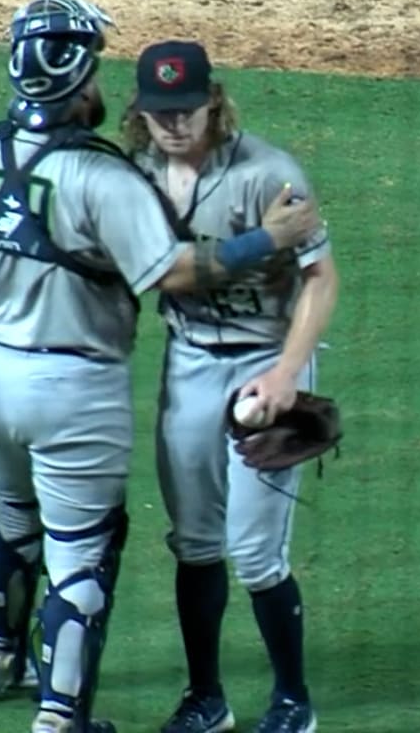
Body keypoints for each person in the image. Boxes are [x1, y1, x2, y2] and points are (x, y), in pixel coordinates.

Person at [0, 0, 322, 733]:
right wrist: (265, 239)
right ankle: (61, 716)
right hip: (72, 392)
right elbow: (176, 273)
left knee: (13, 517)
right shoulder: (107, 179)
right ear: (80, 77)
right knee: (81, 550)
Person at [121, 40, 339, 733]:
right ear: (141, 112)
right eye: (161, 113)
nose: (174, 124)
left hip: (266, 363)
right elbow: (159, 275)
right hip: (187, 365)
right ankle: (205, 697)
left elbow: (321, 278)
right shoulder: (133, 178)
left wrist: (285, 372)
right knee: (193, 540)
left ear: (213, 100)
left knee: (254, 549)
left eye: (187, 109)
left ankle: (293, 701)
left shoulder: (270, 172)